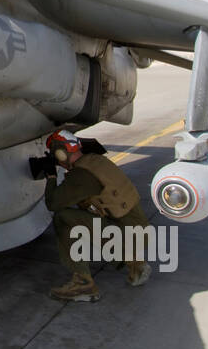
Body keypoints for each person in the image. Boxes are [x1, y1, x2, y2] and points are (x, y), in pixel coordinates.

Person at [35, 129, 154, 302]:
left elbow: (53, 203)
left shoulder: (82, 175)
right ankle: (136, 264)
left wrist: (51, 176)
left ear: (61, 153)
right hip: (139, 232)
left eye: (55, 154)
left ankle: (83, 284)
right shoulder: (96, 161)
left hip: (129, 237)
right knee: (88, 211)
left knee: (63, 217)